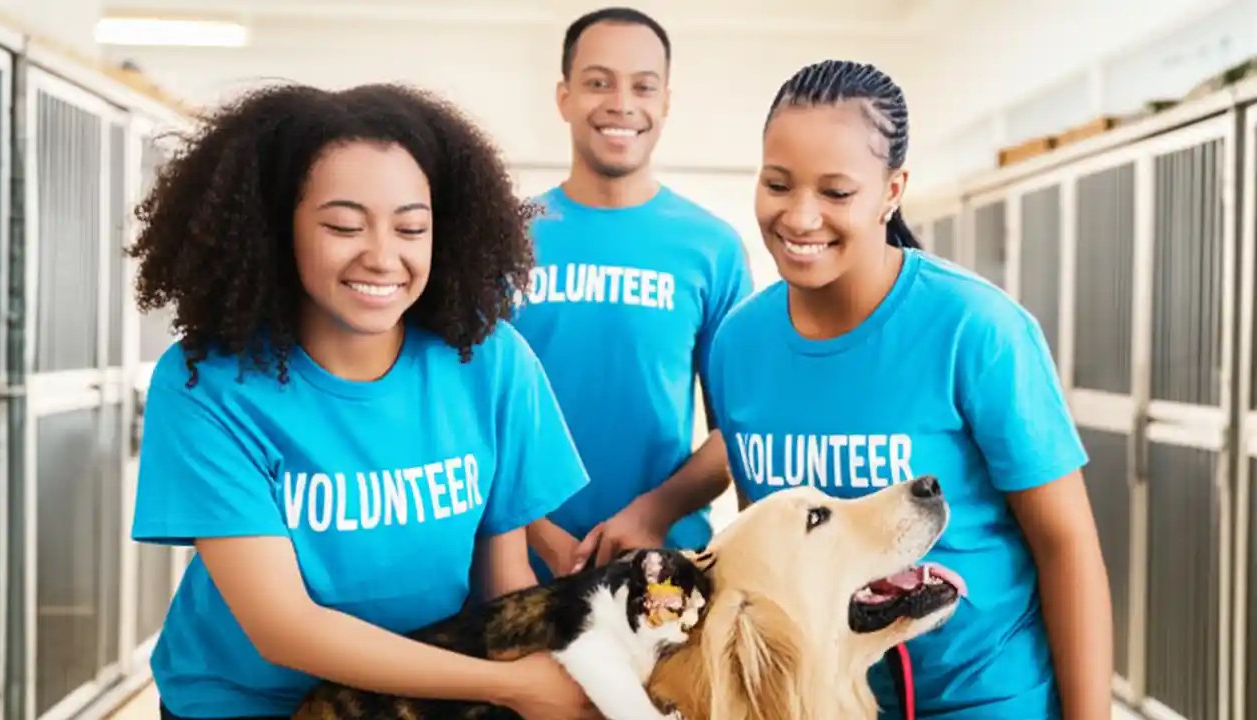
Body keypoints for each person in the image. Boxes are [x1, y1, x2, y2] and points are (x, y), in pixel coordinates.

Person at [127, 82, 603, 720]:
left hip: (421, 699)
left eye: (411, 227)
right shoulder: (206, 386)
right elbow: (284, 628)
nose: (383, 257)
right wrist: (512, 687)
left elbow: (502, 581)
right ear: (276, 229)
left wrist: (552, 678)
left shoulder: (489, 361)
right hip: (245, 703)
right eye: (344, 226)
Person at [703, 59, 1114, 719]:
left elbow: (1067, 546)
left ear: (892, 190)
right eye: (778, 183)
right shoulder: (738, 347)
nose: (800, 217)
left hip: (984, 697)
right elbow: (779, 553)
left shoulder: (977, 329)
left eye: (837, 192)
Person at [512, 6, 754, 579]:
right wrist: (538, 534)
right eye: (598, 82)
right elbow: (466, 416)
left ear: (665, 102)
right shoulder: (505, 237)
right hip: (518, 568)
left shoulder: (712, 247)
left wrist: (654, 512)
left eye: (643, 86)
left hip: (664, 563)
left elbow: (739, 431)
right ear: (564, 96)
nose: (621, 103)